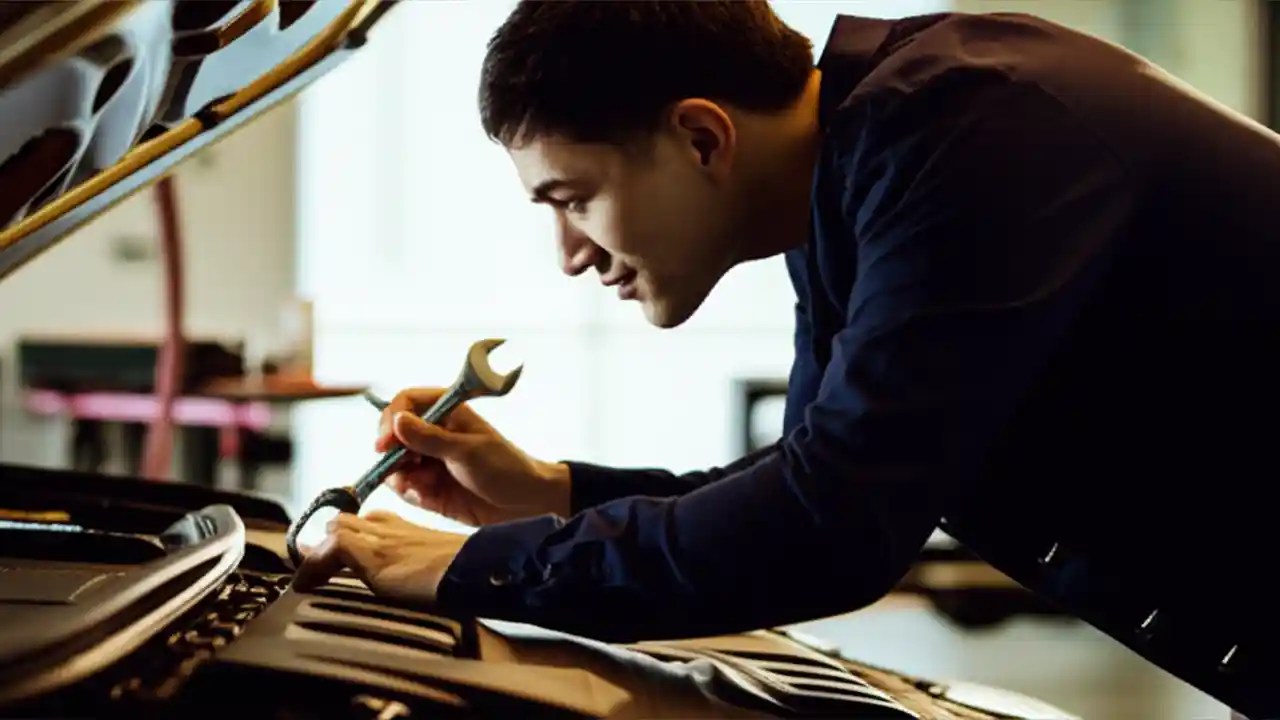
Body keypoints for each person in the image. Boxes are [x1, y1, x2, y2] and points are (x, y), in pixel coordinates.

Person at [293, 2, 1280, 715]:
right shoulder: (862, 164)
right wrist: (549, 492)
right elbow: (810, 466)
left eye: (572, 198)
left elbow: (829, 524)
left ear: (698, 136)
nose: (570, 255)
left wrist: (473, 569)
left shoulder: (966, 129)